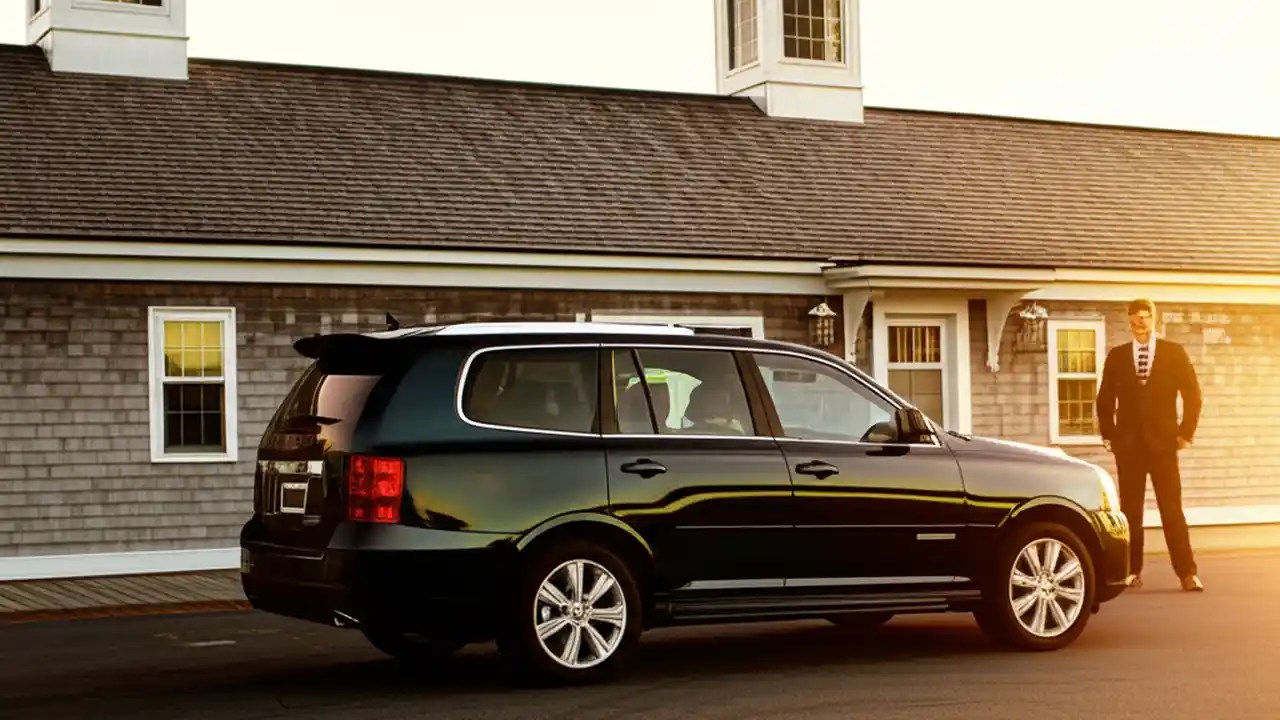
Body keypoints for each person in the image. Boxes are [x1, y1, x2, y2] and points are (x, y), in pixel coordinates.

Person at [1096, 298, 1204, 591]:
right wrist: (1109, 435)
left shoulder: (1173, 353)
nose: (1139, 325)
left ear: (1152, 319)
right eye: (1134, 320)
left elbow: (1193, 395)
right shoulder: (1117, 356)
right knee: (1130, 512)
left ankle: (1187, 573)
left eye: (1144, 319)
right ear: (1128, 321)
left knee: (1172, 510)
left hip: (1164, 446)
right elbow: (1105, 398)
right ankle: (1132, 572)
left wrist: (1185, 433)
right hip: (1129, 447)